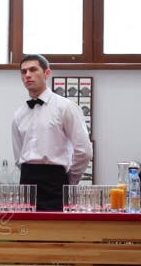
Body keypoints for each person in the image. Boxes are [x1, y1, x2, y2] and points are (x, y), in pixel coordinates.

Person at [11, 54, 92, 211]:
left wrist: (68, 181)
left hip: (56, 181)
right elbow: (18, 155)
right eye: (23, 71)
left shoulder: (66, 107)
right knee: (26, 233)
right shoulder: (18, 114)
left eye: (33, 70)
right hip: (26, 182)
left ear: (47, 73)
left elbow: (84, 151)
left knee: (57, 233)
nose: (27, 75)